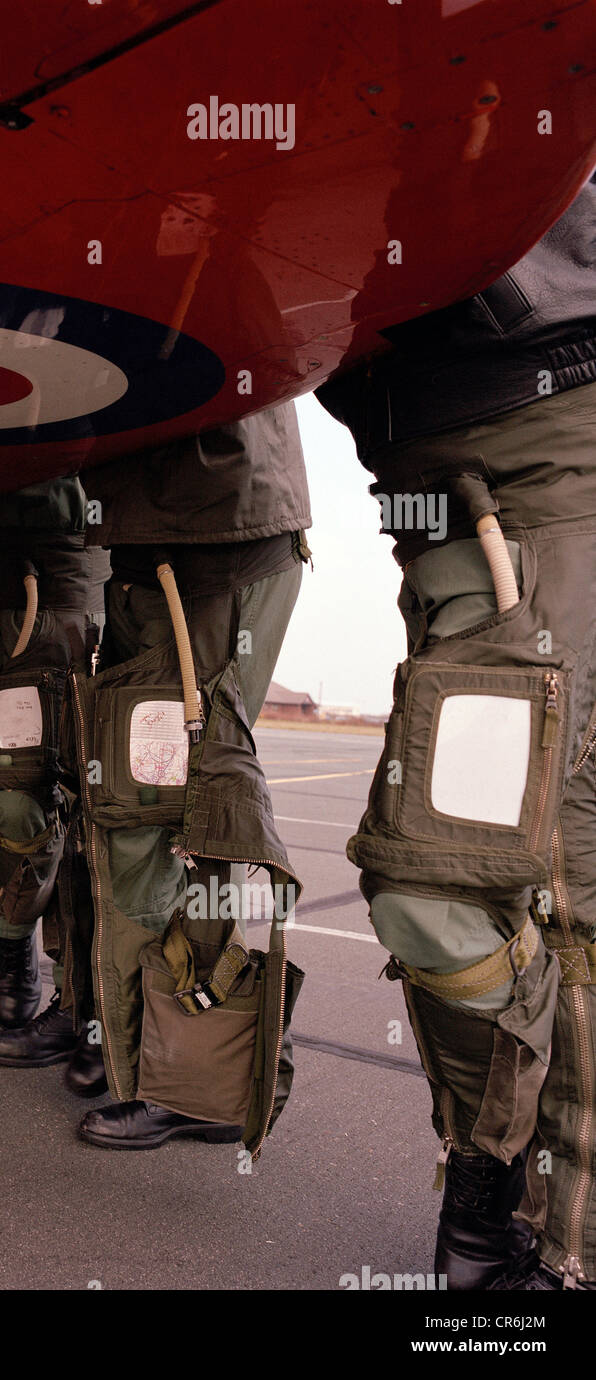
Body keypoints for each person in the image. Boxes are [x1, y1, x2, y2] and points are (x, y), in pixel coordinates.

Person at [317, 172, 596, 1290]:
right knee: (436, 881)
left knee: (561, 885)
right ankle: (489, 1179)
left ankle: (562, 1252)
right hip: (426, 475)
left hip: (550, 432)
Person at [63, 405, 312, 1150]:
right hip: (162, 542)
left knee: (179, 820)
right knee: (148, 818)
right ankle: (161, 1062)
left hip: (212, 541)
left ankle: (194, 1084)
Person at [0, 477, 108, 1096]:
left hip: (76, 570)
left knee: (87, 817)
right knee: (13, 799)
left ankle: (90, 1007)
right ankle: (16, 948)